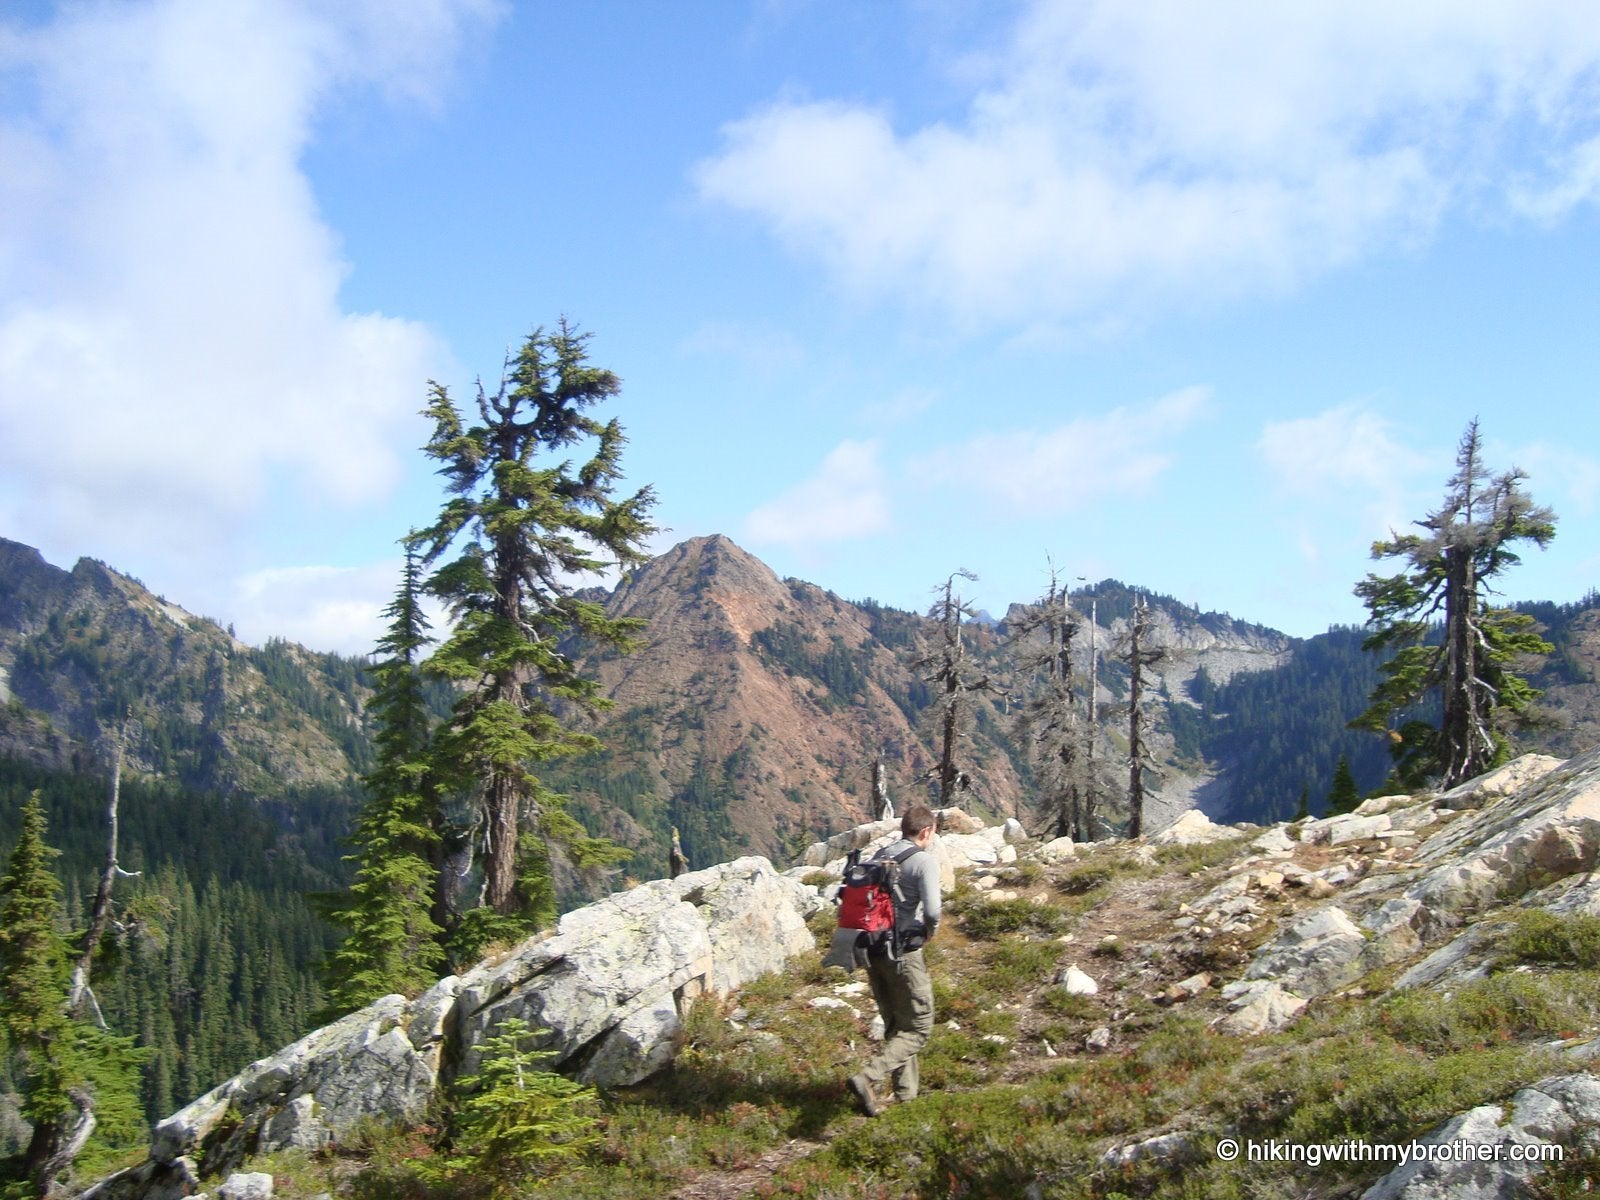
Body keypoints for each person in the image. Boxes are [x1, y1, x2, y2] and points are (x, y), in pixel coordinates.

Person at [848, 804, 942, 1116]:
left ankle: (906, 1099)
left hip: (873, 951)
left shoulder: (881, 855)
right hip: (904, 954)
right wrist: (930, 932)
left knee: (896, 1026)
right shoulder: (922, 861)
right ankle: (868, 1076)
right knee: (918, 1028)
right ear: (926, 831)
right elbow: (932, 911)